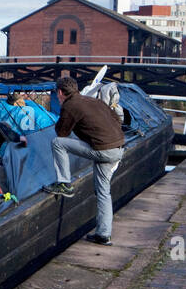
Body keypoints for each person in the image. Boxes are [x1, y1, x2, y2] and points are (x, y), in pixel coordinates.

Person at [44, 75, 125, 245]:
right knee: (103, 191)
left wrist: (63, 112)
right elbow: (117, 120)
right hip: (117, 148)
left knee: (58, 144)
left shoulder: (70, 105)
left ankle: (64, 183)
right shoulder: (93, 101)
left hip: (103, 150)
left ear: (59, 92)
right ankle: (103, 234)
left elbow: (62, 134)